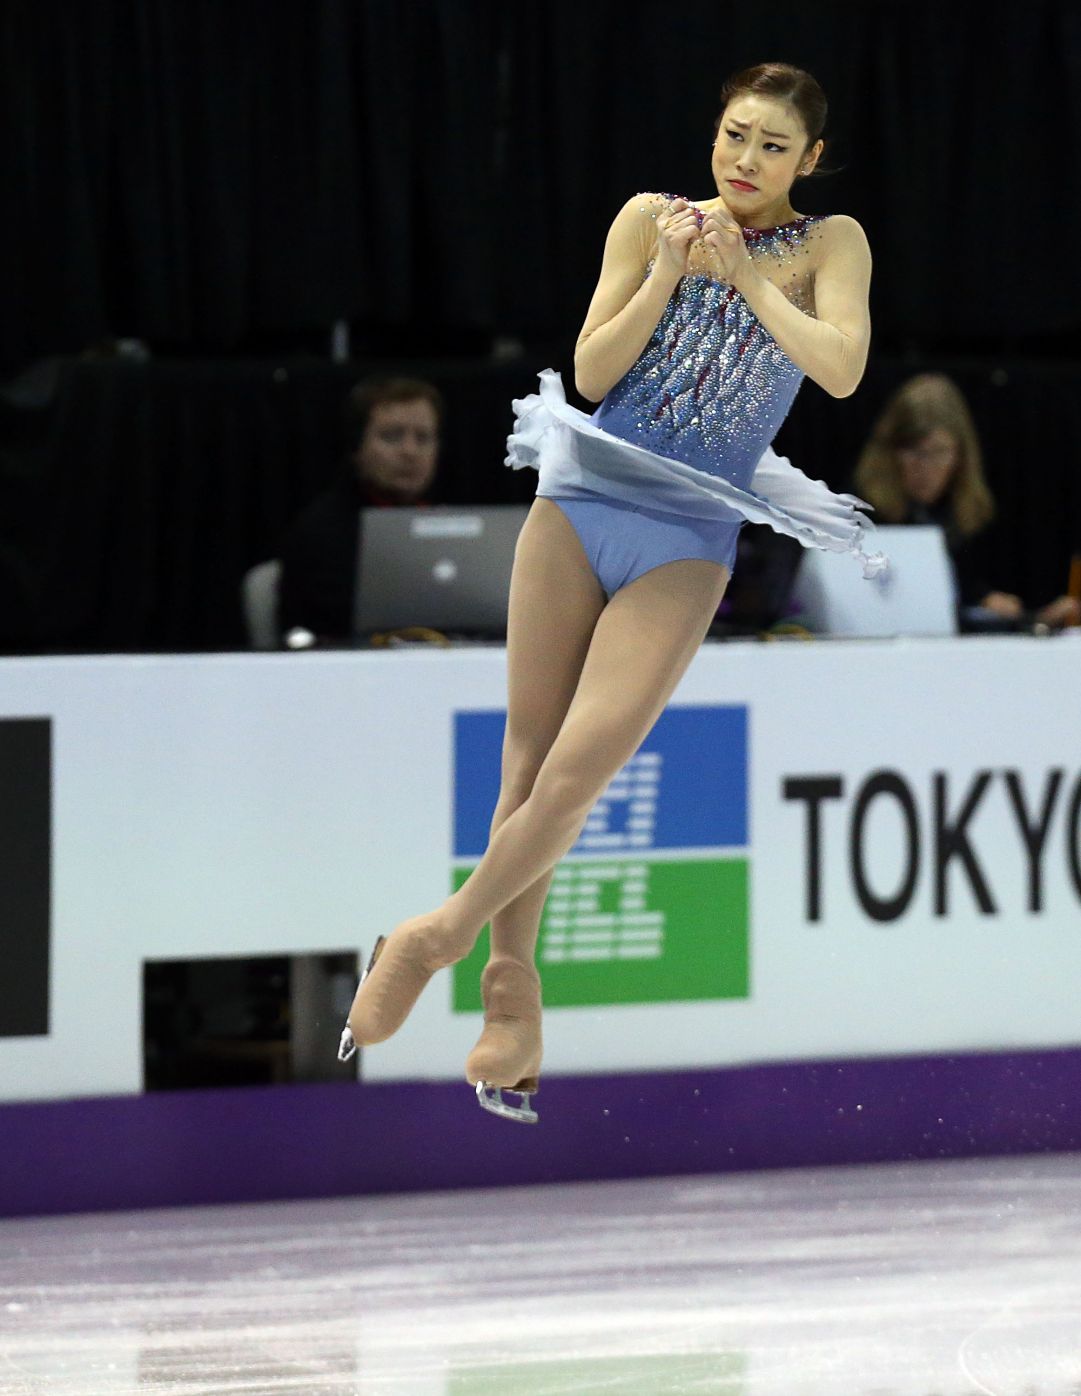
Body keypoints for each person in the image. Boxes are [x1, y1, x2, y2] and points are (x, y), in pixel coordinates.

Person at [339, 61, 883, 1121]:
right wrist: (671, 274)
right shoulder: (649, 218)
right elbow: (591, 371)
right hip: (581, 498)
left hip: (688, 530)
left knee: (583, 766)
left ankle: (435, 936)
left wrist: (750, 278)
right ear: (712, 132)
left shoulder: (830, 244)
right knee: (529, 761)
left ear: (808, 160)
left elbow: (842, 368)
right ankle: (510, 996)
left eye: (774, 147)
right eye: (735, 136)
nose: (746, 161)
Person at [853, 373, 1081, 629]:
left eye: (939, 452)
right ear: (889, 452)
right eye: (914, 451)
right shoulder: (856, 513)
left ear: (961, 455)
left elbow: (974, 594)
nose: (925, 467)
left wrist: (1025, 616)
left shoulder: (970, 513)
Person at [277, 376, 443, 642]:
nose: (410, 451)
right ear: (357, 447)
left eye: (423, 438)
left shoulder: (450, 525)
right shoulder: (320, 532)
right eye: (392, 436)